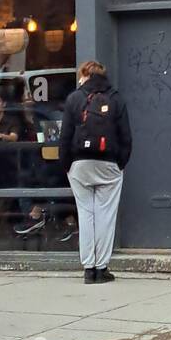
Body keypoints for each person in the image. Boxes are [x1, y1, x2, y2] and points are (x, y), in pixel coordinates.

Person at [59, 60, 131, 284]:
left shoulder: (74, 98)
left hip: (79, 165)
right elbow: (126, 137)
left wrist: (67, 164)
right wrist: (120, 163)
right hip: (108, 163)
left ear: (84, 75)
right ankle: (102, 268)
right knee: (105, 215)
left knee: (85, 213)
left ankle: (88, 268)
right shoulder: (116, 98)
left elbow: (65, 136)